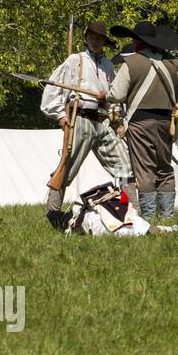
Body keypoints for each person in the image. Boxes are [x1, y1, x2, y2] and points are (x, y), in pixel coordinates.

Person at [106, 21, 178, 222]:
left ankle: (149, 219)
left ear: (137, 41)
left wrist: (105, 95)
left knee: (145, 170)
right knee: (165, 168)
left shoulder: (131, 63)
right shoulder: (173, 63)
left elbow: (116, 94)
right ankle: (167, 217)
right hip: (166, 124)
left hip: (140, 123)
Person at [40, 22, 133, 229]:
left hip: (103, 120)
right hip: (80, 118)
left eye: (99, 38)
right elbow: (53, 89)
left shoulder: (108, 65)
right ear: (86, 38)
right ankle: (53, 213)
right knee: (67, 167)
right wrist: (60, 116)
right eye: (92, 36)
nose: (96, 40)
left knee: (125, 166)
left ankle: (130, 210)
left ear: (104, 42)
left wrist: (118, 120)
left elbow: (114, 97)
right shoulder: (76, 60)